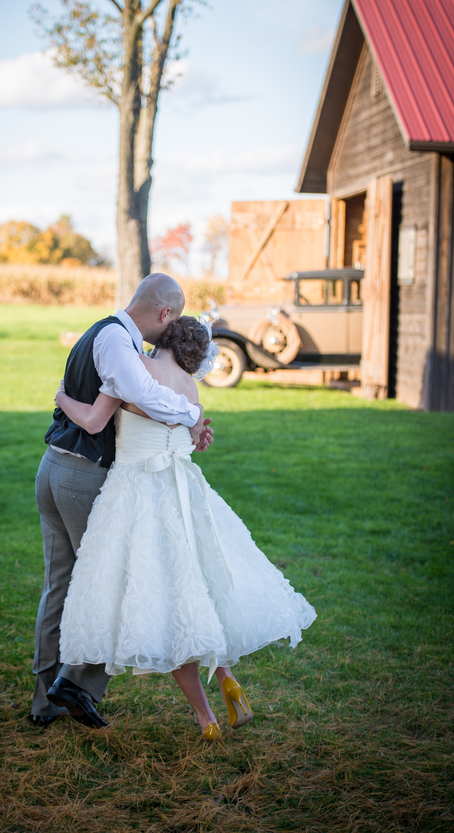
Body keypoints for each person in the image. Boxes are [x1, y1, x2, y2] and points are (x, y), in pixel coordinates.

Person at [55, 315, 317, 741]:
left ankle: (206, 719)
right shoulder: (191, 388)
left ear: (164, 338)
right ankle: (228, 678)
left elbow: (92, 420)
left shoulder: (135, 370)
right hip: (185, 496)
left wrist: (62, 398)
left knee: (168, 605)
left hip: (137, 495)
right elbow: (190, 436)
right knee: (200, 587)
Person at [29, 274, 213, 729]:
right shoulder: (117, 341)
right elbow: (144, 396)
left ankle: (47, 701)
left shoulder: (102, 332)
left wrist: (58, 398)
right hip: (79, 477)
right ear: (165, 314)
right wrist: (194, 417)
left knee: (63, 586)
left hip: (54, 467)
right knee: (108, 580)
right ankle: (74, 687)